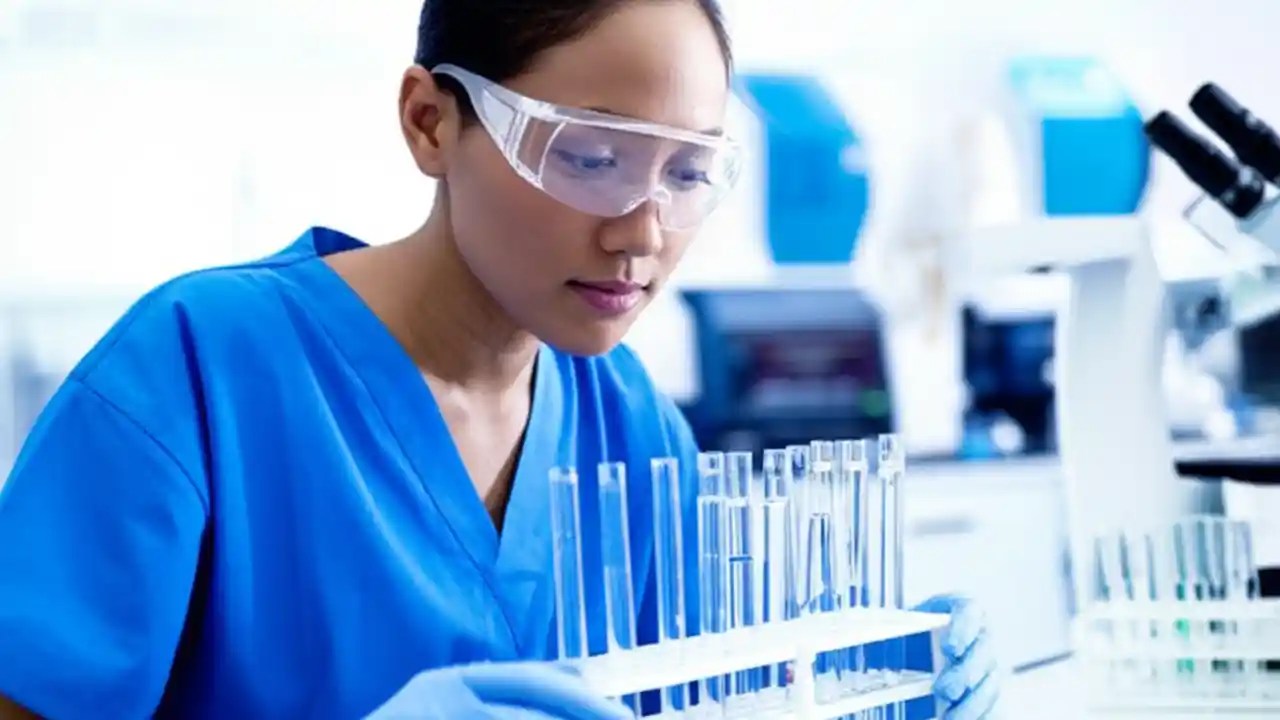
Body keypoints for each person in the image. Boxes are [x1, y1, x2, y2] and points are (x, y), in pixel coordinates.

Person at [0, 1, 999, 718]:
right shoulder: (197, 370)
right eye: (591, 158)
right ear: (431, 122)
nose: (641, 234)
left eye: (687, 172)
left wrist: (856, 680)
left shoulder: (626, 419)